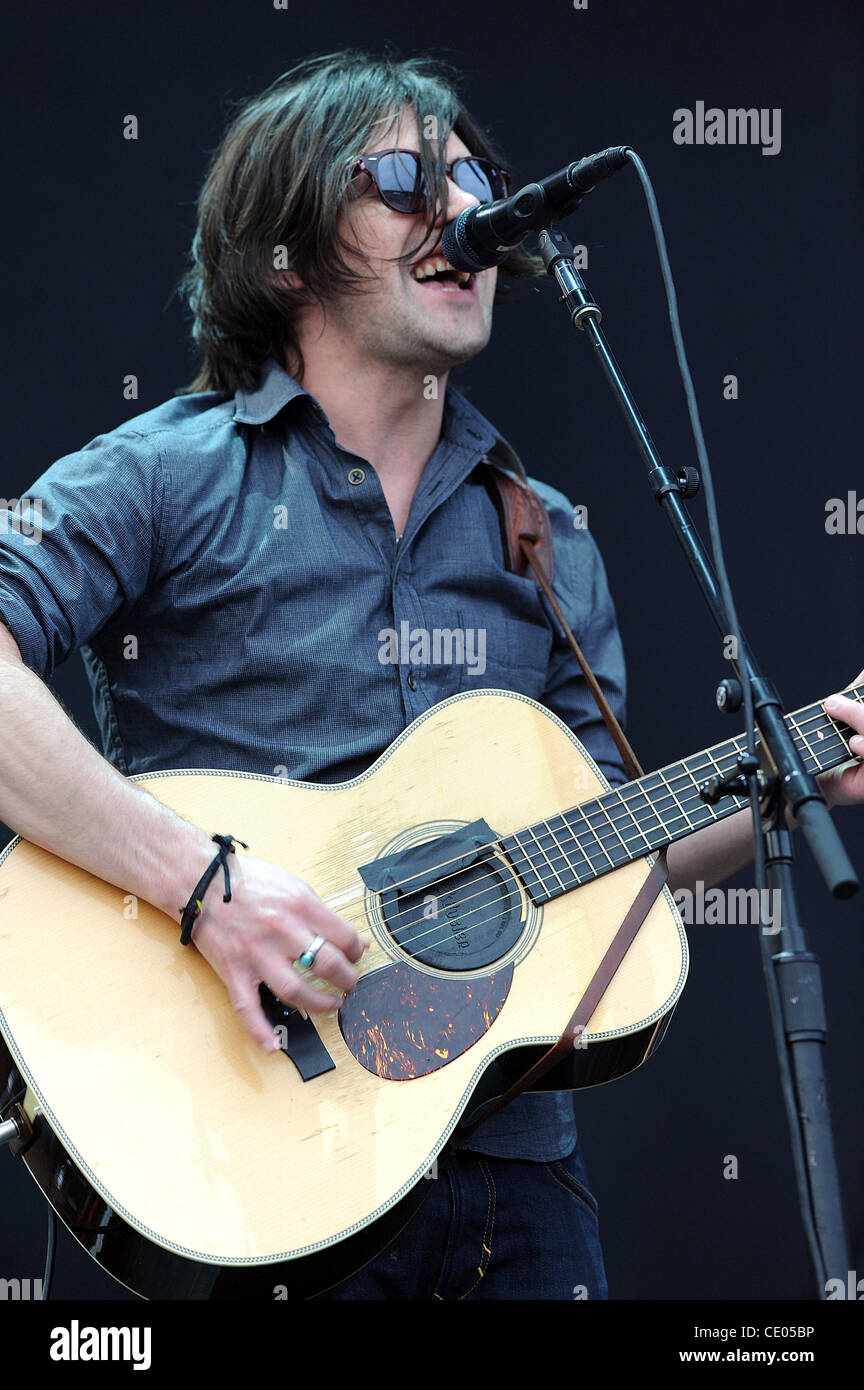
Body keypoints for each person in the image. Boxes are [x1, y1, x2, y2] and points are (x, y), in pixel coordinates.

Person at [0, 50, 861, 1301]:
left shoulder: (545, 533)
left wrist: (803, 758)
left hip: (513, 1172)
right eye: (405, 178)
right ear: (286, 246)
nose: (462, 209)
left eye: (476, 180)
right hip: (248, 1163)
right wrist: (201, 884)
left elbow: (613, 843)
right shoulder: (160, 477)